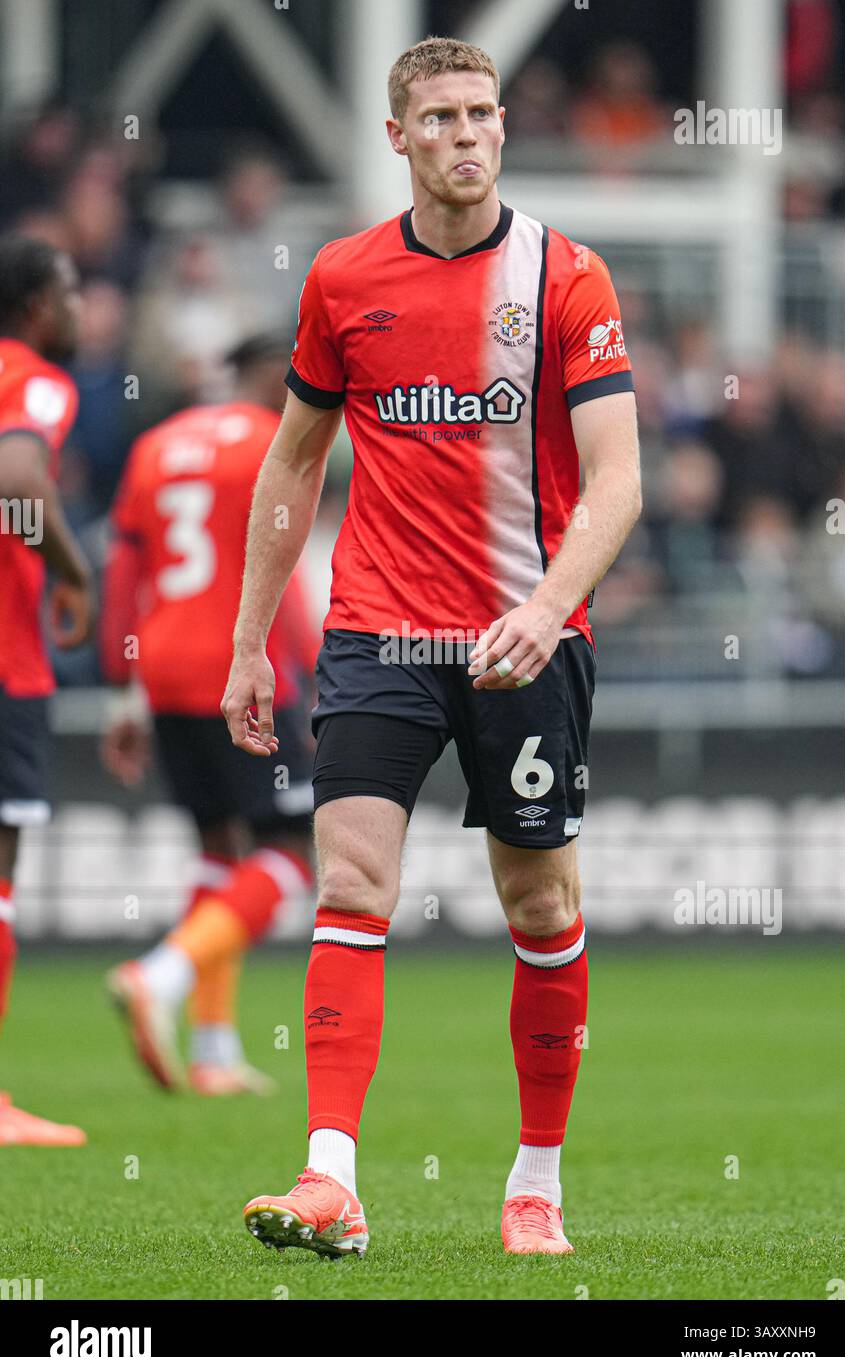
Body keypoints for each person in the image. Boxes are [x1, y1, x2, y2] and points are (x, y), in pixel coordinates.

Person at [222, 36, 641, 1258]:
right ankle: (330, 1176)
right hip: (376, 631)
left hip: (526, 636)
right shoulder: (344, 280)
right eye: (440, 118)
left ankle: (534, 1182)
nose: (465, 135)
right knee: (351, 885)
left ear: (502, 128)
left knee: (539, 901)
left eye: (481, 114)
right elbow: (293, 460)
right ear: (396, 138)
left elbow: (617, 480)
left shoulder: (566, 277)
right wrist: (253, 640)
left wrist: (549, 600)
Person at [101, 336, 317, 1096]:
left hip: (160, 667)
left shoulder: (155, 445)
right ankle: (156, 978)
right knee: (292, 852)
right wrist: (319, 669)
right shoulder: (271, 442)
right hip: (239, 666)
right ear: (274, 377)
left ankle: (214, 1049)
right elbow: (278, 570)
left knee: (218, 851)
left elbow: (125, 574)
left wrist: (123, 687)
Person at [0, 235, 92, 1145]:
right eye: (71, 289)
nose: (82, 308)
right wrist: (75, 572)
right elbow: (17, 481)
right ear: (37, 303)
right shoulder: (32, 376)